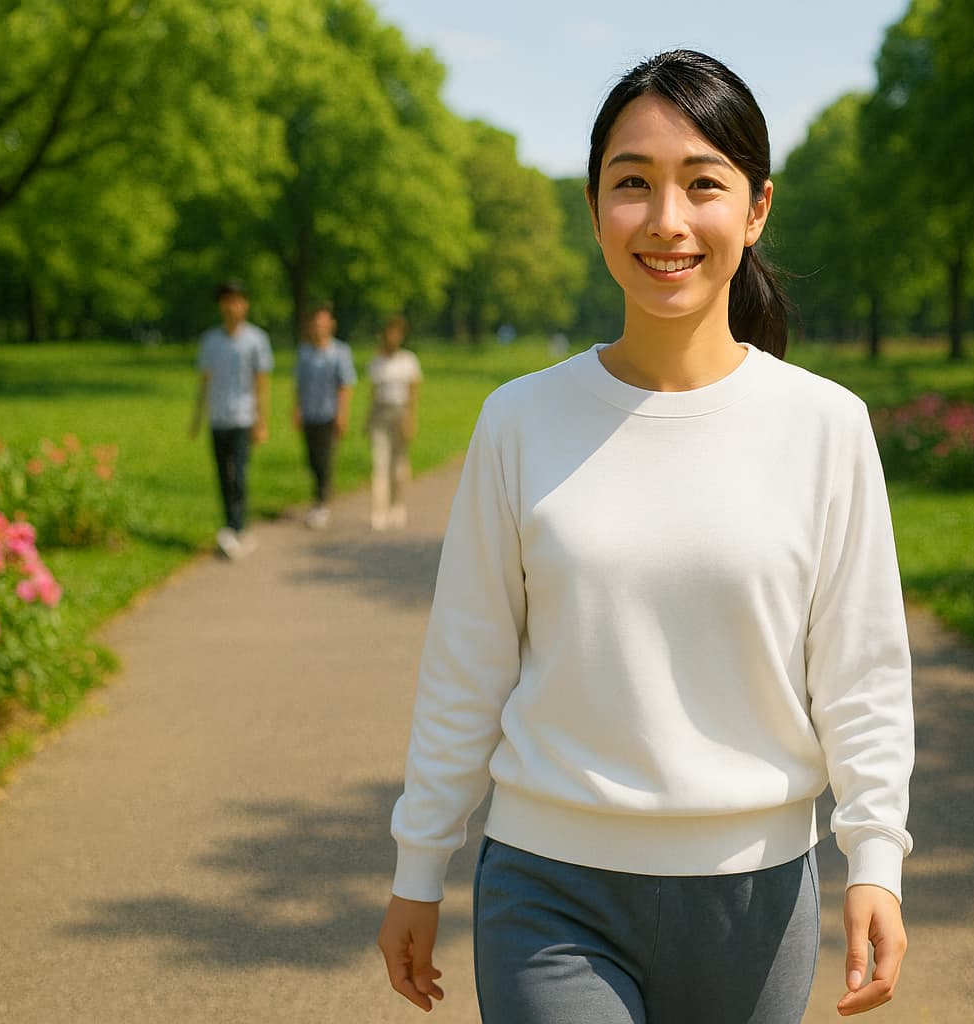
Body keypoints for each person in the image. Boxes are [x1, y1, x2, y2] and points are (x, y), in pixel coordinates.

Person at [376, 49, 914, 1023]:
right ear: (593, 211)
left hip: (755, 898)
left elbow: (862, 671)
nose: (666, 219)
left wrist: (875, 854)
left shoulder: (825, 425)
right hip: (550, 889)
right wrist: (421, 860)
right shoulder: (520, 420)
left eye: (702, 183)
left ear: (754, 210)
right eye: (632, 184)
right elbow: (466, 663)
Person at [188, 279, 273, 559]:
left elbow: (261, 382)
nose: (232, 306)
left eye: (236, 300)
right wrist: (196, 418)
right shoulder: (211, 341)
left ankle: (238, 525)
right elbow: (205, 381)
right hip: (218, 416)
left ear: (244, 304)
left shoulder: (256, 340)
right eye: (227, 300)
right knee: (223, 474)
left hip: (244, 416)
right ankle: (230, 525)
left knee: (240, 473)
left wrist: (261, 420)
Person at [293, 301, 357, 529]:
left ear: (331, 325)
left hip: (329, 414)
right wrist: (297, 409)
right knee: (311, 459)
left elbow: (345, 385)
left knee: (325, 459)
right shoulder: (304, 352)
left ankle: (321, 501)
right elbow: (299, 384)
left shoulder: (339, 352)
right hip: (310, 413)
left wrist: (342, 414)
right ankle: (320, 495)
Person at [366, 313, 422, 530]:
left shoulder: (409, 361)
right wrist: (367, 419)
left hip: (401, 414)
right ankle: (378, 510)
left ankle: (397, 505)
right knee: (379, 464)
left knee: (399, 465)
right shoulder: (376, 362)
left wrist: (411, 419)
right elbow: (373, 394)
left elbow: (413, 393)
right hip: (380, 414)